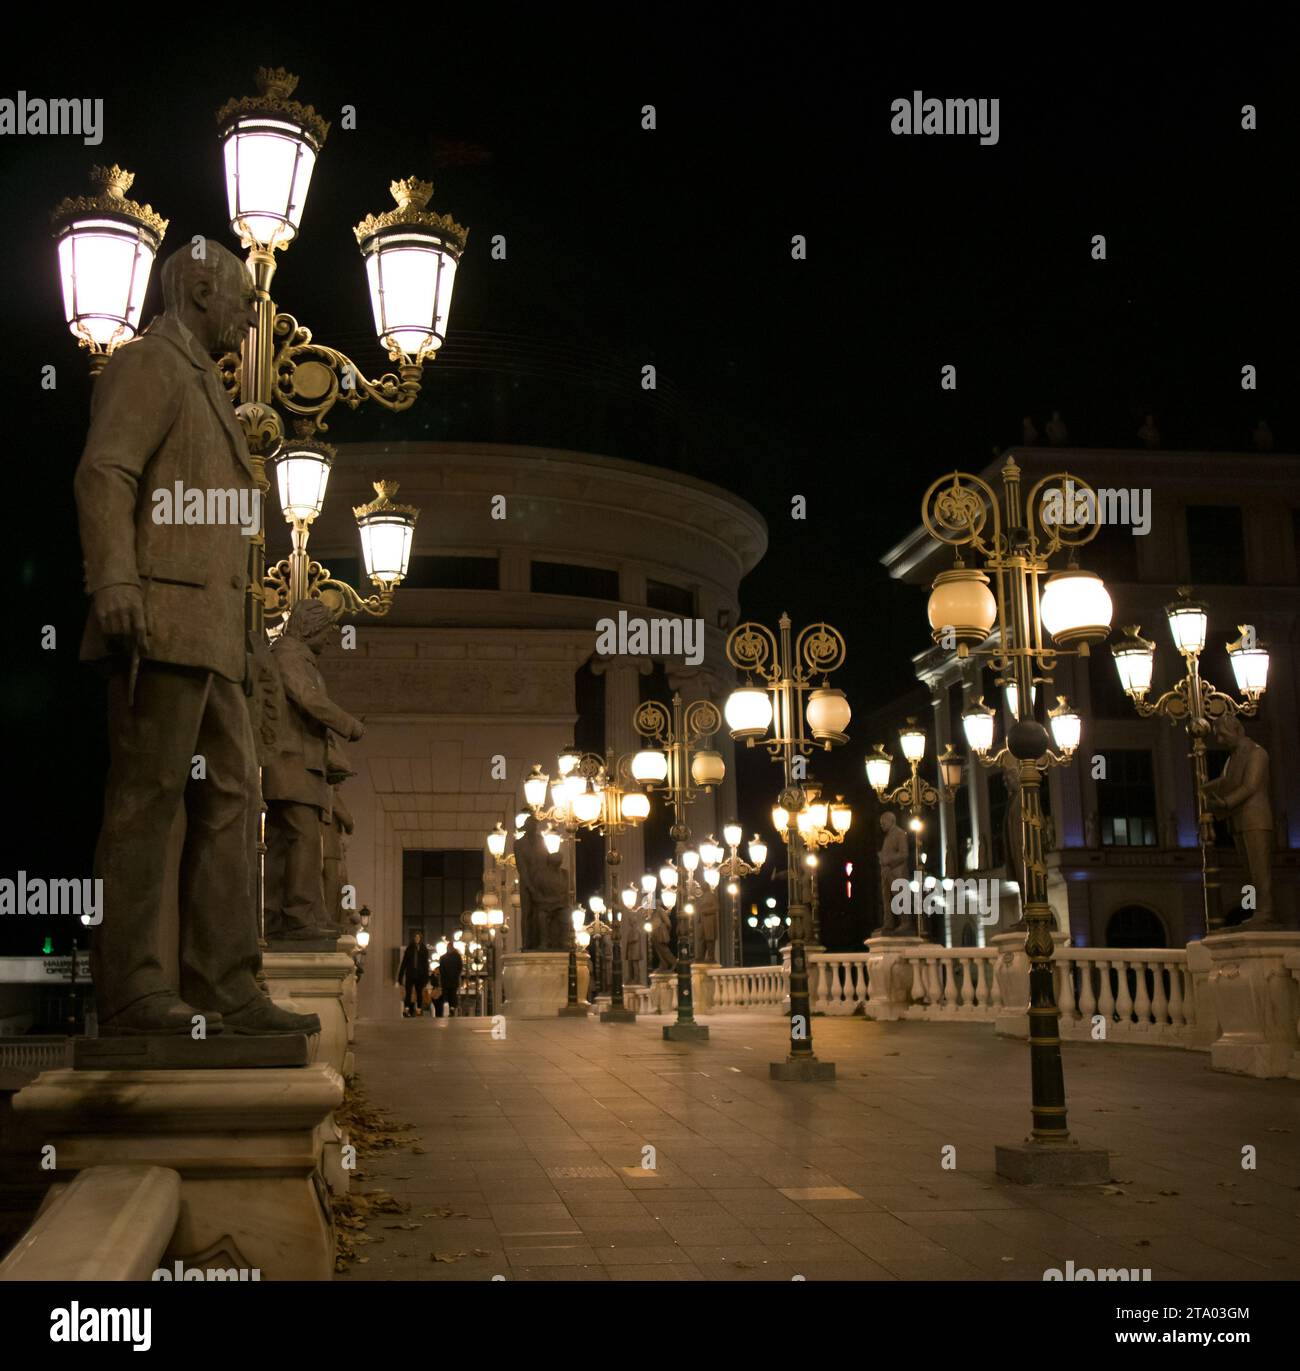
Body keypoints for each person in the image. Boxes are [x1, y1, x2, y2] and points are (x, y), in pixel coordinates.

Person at [74, 239, 317, 1036]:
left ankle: (226, 986)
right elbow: (106, 472)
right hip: (157, 621)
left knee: (230, 802)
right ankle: (136, 992)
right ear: (202, 287)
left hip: (216, 640)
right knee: (146, 804)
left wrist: (249, 641)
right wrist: (113, 579)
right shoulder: (147, 364)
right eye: (244, 300)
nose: (255, 315)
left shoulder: (207, 386)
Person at [397, 931, 430, 1017]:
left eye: (418, 938)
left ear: (420, 939)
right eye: (415, 938)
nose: (417, 939)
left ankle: (419, 1010)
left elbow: (426, 964)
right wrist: (400, 977)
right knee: (408, 993)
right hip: (410, 974)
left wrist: (426, 978)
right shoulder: (409, 949)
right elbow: (404, 963)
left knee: (419, 992)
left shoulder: (424, 949)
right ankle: (406, 1010)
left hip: (420, 975)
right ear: (413, 939)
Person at [438, 941, 464, 1017]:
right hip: (453, 979)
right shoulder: (457, 956)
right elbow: (460, 967)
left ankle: (448, 1008)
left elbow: (441, 969)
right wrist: (456, 975)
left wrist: (443, 977)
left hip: (446, 980)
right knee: (453, 994)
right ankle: (451, 1008)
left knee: (447, 995)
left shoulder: (443, 957)